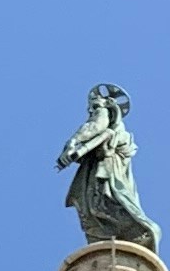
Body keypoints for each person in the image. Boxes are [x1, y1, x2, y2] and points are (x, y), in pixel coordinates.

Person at [57, 83, 159, 252]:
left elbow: (95, 128)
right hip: (97, 170)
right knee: (95, 205)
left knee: (112, 199)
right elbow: (91, 134)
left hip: (108, 171)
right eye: (91, 109)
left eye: (96, 107)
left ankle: (136, 232)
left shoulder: (116, 132)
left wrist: (74, 144)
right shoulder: (107, 131)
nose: (92, 112)